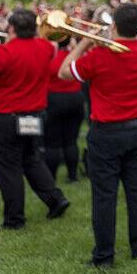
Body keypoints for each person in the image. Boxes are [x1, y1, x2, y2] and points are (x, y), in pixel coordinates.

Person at [58, 0, 137, 268]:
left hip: (105, 134)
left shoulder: (98, 57)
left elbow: (63, 72)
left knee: (104, 197)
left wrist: (86, 42)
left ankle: (104, 257)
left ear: (114, 25)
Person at [0, 9, 70, 230]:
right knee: (31, 160)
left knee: (7, 168)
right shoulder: (45, 47)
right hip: (34, 115)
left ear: (11, 28)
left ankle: (14, 219)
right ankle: (55, 199)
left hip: (7, 118)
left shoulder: (6, 52)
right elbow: (50, 43)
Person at [45, 36, 85, 183]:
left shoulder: (50, 57)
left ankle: (51, 177)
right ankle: (72, 176)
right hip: (75, 97)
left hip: (54, 98)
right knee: (71, 140)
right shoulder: (74, 57)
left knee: (52, 141)